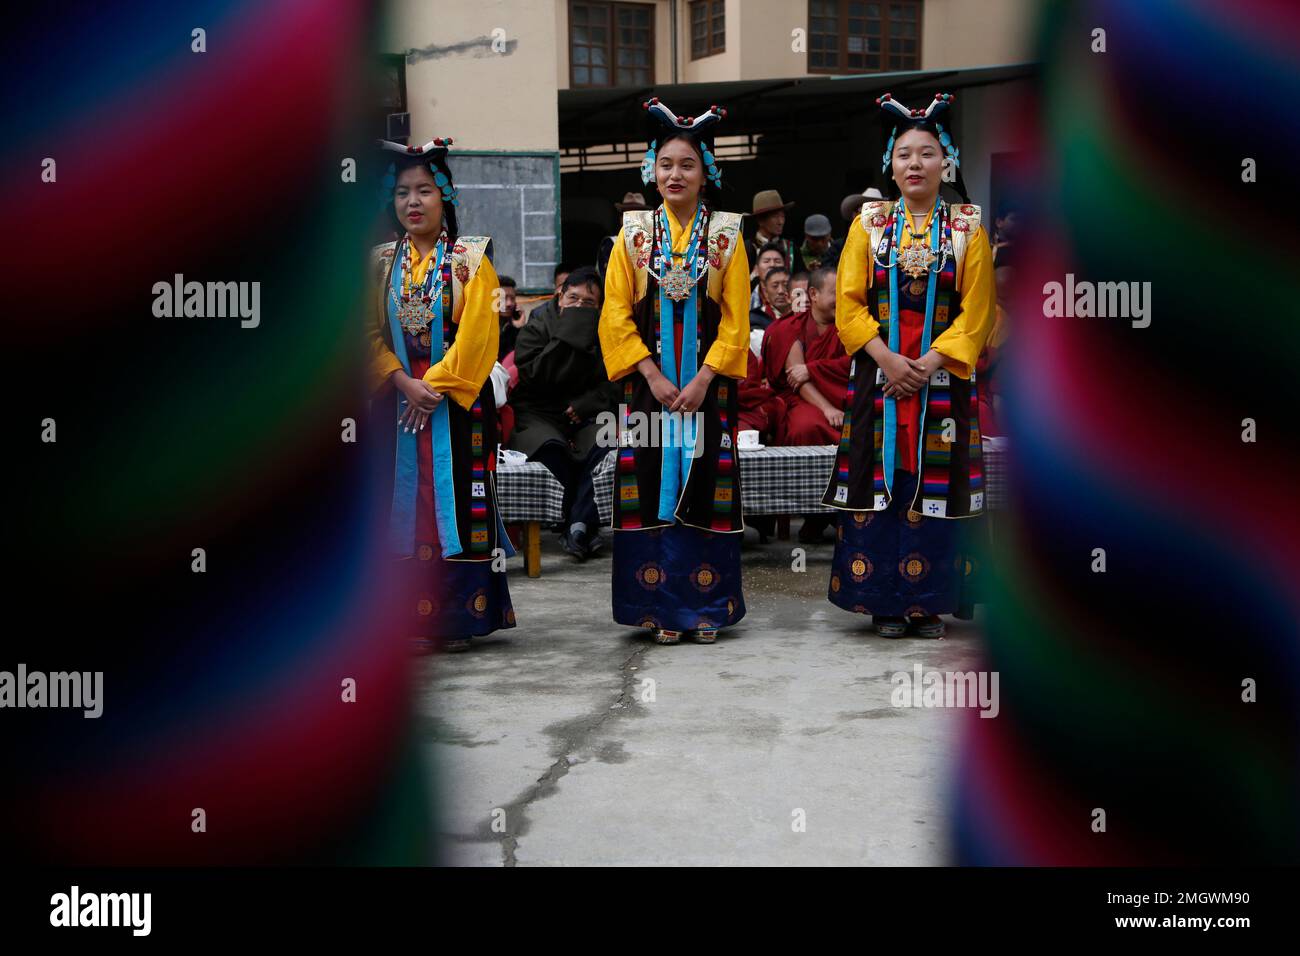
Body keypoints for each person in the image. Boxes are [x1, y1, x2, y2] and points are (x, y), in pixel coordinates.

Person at [822, 92, 995, 639]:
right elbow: (847, 303)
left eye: (926, 153)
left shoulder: (967, 227)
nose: (915, 164)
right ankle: (882, 601)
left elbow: (979, 309)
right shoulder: (868, 225)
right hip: (880, 376)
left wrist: (927, 361)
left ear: (948, 162)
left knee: (935, 482)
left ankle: (929, 603)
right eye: (904, 155)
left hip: (940, 378)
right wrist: (887, 359)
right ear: (889, 167)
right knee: (883, 481)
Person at [599, 98, 749, 646]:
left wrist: (704, 379)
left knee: (706, 486)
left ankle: (706, 605)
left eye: (687, 164)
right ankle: (657, 607)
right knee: (649, 483)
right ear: (650, 170)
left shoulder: (727, 236)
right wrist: (653, 375)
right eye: (665, 164)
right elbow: (614, 314)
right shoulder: (632, 233)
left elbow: (735, 318)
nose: (675, 174)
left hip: (707, 393)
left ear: (705, 172)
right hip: (648, 393)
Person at [367, 137, 516, 653]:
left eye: (425, 190)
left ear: (444, 196)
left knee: (453, 500)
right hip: (397, 405)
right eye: (404, 192)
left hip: (457, 406)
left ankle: (460, 616)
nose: (413, 202)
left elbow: (481, 332)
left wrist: (433, 385)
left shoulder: (472, 258)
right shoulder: (378, 262)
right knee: (399, 503)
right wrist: (401, 380)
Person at [508, 266, 620, 560]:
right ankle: (579, 523)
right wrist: (572, 331)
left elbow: (616, 380)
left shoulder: (608, 330)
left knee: (605, 446)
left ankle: (579, 523)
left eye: (588, 303)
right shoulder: (537, 325)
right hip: (539, 412)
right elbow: (533, 374)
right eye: (573, 299)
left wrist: (587, 404)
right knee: (551, 451)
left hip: (586, 412)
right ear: (560, 297)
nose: (579, 307)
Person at [762, 266, 850, 447]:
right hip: (803, 400)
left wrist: (812, 369)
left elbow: (854, 364)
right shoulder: (789, 328)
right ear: (813, 294)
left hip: (845, 396)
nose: (842, 300)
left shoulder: (849, 326)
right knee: (806, 427)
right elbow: (797, 379)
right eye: (836, 293)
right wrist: (827, 409)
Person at [745, 189, 804, 276]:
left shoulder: (791, 249)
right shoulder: (746, 249)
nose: (781, 222)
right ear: (760, 220)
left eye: (783, 216)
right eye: (775, 217)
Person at [748, 240, 789, 321]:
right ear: (756, 269)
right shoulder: (746, 292)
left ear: (785, 267)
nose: (772, 265)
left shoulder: (793, 293)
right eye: (766, 261)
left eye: (777, 261)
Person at [749, 264, 791, 330]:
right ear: (766, 292)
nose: (781, 291)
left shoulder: (802, 316)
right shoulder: (755, 318)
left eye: (785, 285)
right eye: (775, 286)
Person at [496, 274, 526, 360]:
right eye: (503, 298)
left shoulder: (517, 321)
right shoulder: (483, 323)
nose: (509, 303)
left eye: (512, 298)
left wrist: (519, 329)